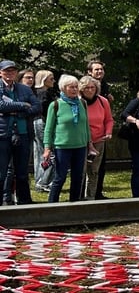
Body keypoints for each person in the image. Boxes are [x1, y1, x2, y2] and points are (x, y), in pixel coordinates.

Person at [41, 74, 89, 203]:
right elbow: (49, 128)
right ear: (63, 88)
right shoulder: (55, 105)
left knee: (78, 177)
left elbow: (85, 126)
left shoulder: (82, 103)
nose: (74, 89)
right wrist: (47, 148)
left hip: (80, 146)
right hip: (62, 146)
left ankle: (74, 204)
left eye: (76, 87)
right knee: (60, 177)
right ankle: (52, 204)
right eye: (71, 87)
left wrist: (90, 144)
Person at [0, 59, 40, 204]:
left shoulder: (25, 89)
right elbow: (1, 105)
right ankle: (4, 202)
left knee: (22, 172)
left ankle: (25, 202)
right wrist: (23, 105)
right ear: (0, 73)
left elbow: (37, 107)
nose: (9, 73)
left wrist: (17, 113)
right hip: (3, 135)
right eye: (6, 71)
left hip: (23, 134)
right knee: (2, 172)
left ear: (16, 73)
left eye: (12, 71)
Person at [79, 75, 113, 200]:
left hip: (99, 140)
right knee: (80, 171)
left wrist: (109, 132)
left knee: (93, 171)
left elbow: (109, 119)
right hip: (81, 141)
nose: (90, 90)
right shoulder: (77, 101)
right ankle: (78, 197)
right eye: (86, 87)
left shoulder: (103, 101)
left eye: (92, 87)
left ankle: (91, 197)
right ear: (81, 89)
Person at [86, 61, 112, 199]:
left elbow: (108, 118)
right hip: (84, 139)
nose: (100, 72)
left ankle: (95, 194)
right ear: (89, 72)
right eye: (96, 70)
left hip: (100, 137)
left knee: (98, 168)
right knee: (84, 169)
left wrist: (108, 132)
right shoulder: (80, 100)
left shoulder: (105, 88)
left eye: (101, 69)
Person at [32, 70, 57, 193]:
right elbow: (44, 110)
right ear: (44, 80)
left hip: (36, 122)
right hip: (43, 123)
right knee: (50, 153)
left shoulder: (35, 93)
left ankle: (39, 181)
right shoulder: (44, 94)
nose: (54, 81)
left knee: (39, 154)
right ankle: (44, 182)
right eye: (51, 79)